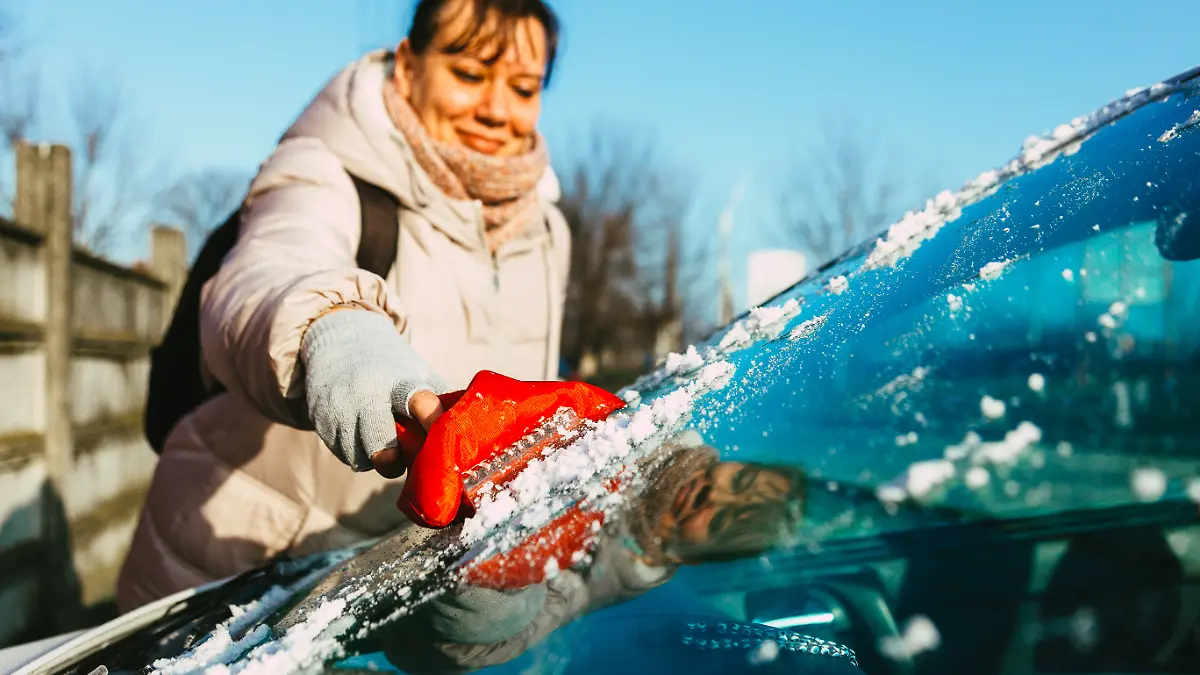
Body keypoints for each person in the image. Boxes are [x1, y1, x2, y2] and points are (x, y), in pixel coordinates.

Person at [117, 0, 569, 612]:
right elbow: (274, 265)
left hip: (397, 601)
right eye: (467, 74)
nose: (495, 109)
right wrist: (339, 332)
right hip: (239, 590)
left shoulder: (547, 234)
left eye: (522, 87)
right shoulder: (328, 168)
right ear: (408, 65)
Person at [364, 431, 848, 674]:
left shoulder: (580, 581)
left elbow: (472, 642)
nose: (712, 496)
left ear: (695, 559)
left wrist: (499, 582)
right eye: (740, 481)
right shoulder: (643, 425)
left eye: (721, 522)